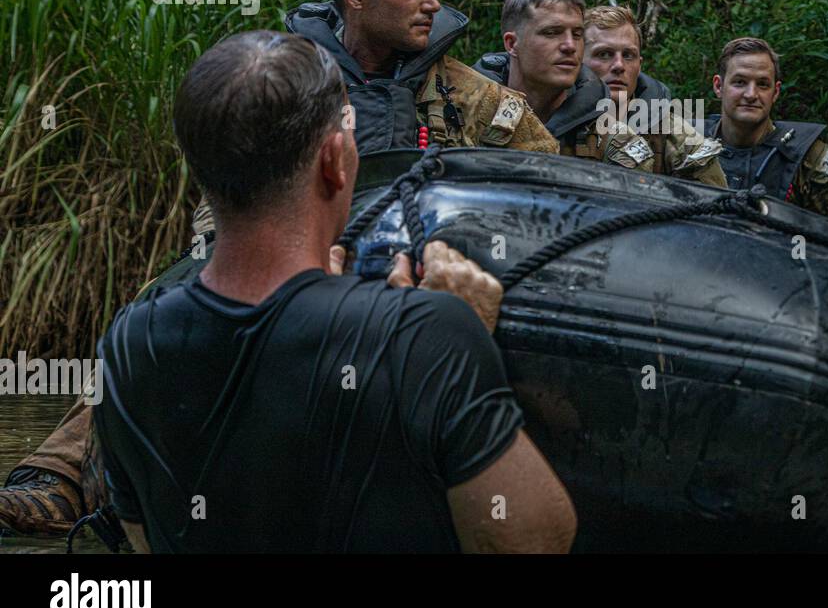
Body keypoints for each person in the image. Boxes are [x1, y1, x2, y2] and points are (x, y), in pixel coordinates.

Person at [0, 0, 559, 539]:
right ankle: (63, 473)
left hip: (427, 271)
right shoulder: (286, 86)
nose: (433, 2)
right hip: (294, 267)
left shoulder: (482, 102)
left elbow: (551, 205)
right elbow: (225, 193)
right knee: (167, 297)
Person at [92, 31, 576, 552]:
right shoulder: (427, 333)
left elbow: (145, 543)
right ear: (334, 161)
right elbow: (537, 545)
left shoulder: (129, 343)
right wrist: (469, 345)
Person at [702, 37, 828, 238]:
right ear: (719, 86)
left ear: (775, 92)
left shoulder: (808, 157)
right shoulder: (688, 145)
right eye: (740, 82)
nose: (751, 94)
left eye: (763, 84)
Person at [474, 0, 654, 170]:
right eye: (552, 33)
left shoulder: (615, 144)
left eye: (577, 35)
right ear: (512, 44)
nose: (570, 46)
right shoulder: (465, 114)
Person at [582, 5, 726, 186]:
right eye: (604, 54)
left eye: (628, 55)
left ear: (639, 66)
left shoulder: (677, 139)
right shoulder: (554, 118)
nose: (619, 65)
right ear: (578, 60)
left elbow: (715, 201)